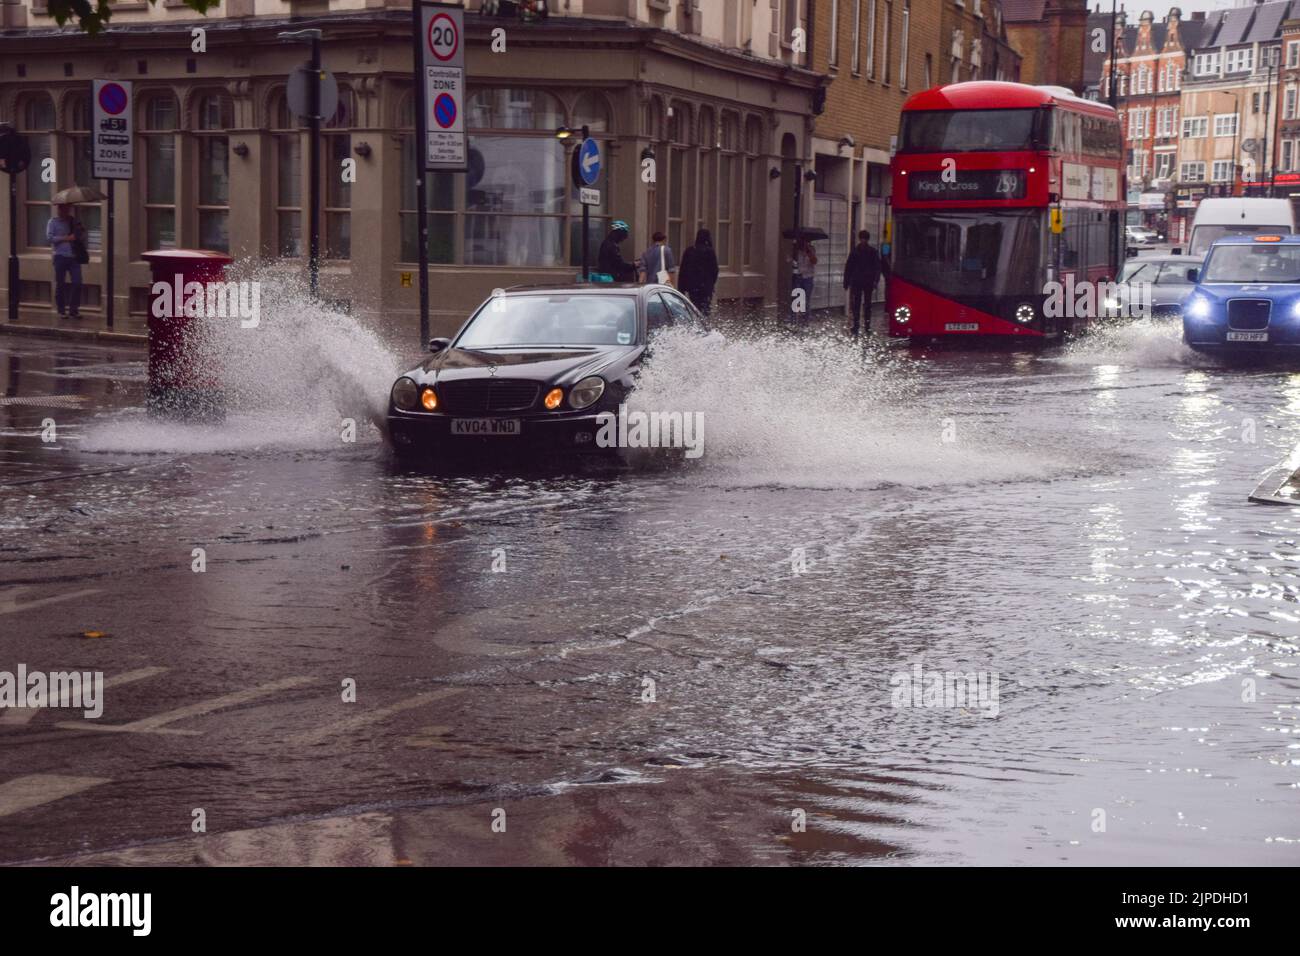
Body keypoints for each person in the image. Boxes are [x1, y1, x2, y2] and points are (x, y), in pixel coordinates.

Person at [842, 229, 888, 337]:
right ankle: (859, 325)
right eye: (862, 238)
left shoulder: (866, 251)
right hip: (861, 281)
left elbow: (877, 267)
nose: (863, 241)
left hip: (865, 281)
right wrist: (846, 281)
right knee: (859, 304)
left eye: (864, 239)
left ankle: (865, 326)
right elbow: (849, 267)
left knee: (865, 304)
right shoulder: (858, 251)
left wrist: (876, 280)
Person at [47, 203, 86, 320]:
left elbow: (81, 236)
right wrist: (65, 238)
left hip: (73, 257)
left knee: (77, 282)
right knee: (60, 284)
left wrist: (80, 231)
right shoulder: (52, 222)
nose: (65, 211)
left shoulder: (73, 221)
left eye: (67, 209)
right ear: (59, 209)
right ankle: (61, 310)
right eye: (63, 209)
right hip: (60, 256)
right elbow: (49, 238)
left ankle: (74, 310)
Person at [677, 228, 720, 316]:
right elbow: (715, 270)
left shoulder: (689, 251)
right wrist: (711, 283)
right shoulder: (709, 251)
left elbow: (683, 270)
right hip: (706, 286)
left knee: (694, 308)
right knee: (704, 308)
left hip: (692, 287)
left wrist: (681, 287)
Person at [791, 237, 817, 321]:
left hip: (808, 277)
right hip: (798, 276)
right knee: (796, 298)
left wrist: (808, 252)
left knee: (806, 300)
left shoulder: (811, 249)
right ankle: (795, 319)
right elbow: (789, 260)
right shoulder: (796, 251)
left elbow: (814, 261)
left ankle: (805, 320)